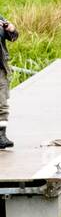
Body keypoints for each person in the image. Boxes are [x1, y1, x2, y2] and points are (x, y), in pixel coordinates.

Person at [0, 14, 16, 150]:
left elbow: (14, 37)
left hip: (1, 67)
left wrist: (11, 29)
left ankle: (1, 136)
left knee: (3, 104)